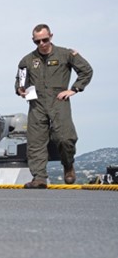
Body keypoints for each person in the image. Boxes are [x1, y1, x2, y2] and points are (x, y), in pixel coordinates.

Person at [16, 24, 93, 188]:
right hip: (36, 104)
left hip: (58, 101)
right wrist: (20, 89)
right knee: (35, 142)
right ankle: (39, 177)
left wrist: (74, 89)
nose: (42, 44)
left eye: (45, 39)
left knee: (65, 137)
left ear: (51, 36)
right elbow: (20, 81)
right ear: (33, 40)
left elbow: (86, 70)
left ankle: (68, 164)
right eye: (37, 41)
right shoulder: (27, 60)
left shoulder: (66, 54)